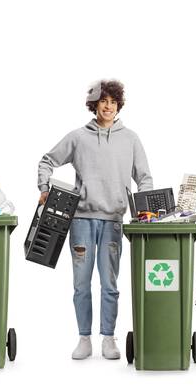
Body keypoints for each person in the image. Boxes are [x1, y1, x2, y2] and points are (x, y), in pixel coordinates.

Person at [37, 79, 154, 360]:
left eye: (113, 102)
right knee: (81, 283)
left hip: (114, 220)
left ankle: (108, 338)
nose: (108, 106)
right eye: (103, 101)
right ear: (95, 105)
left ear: (119, 105)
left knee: (110, 284)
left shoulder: (131, 139)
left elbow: (145, 178)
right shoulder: (78, 138)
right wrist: (44, 188)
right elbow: (47, 161)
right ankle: (84, 338)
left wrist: (146, 209)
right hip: (81, 220)